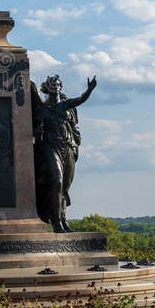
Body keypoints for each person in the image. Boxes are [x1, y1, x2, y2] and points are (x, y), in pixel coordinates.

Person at [31, 74, 97, 233]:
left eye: (57, 83)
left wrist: (89, 89)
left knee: (64, 186)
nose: (55, 86)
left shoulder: (66, 105)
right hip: (50, 147)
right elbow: (34, 129)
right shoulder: (42, 108)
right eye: (51, 84)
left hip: (67, 146)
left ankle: (63, 219)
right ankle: (56, 222)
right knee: (57, 181)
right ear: (46, 87)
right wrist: (37, 130)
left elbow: (80, 99)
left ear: (61, 86)